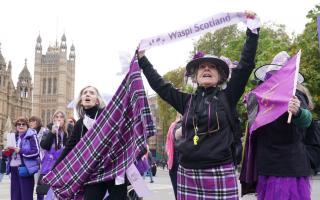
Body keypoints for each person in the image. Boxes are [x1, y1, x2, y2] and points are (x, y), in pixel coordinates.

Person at [137, 11, 259, 200]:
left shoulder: (228, 96)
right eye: (202, 67)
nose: (207, 69)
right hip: (188, 173)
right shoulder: (186, 101)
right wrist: (143, 59)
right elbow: (160, 85)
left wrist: (252, 32)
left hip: (220, 170)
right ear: (195, 77)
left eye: (212, 67)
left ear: (220, 76)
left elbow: (245, 65)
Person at [242, 51, 313, 199]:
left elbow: (307, 121)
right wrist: (250, 103)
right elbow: (255, 122)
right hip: (267, 164)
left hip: (287, 166)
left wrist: (298, 112)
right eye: (274, 73)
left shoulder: (296, 95)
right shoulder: (264, 96)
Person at [54, 86, 127, 200]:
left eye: (92, 93)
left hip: (114, 166)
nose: (87, 94)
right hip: (94, 171)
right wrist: (54, 169)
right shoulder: (80, 124)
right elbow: (69, 148)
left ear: (97, 100)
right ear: (81, 100)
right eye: (84, 93)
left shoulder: (108, 115)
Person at [5, 117, 40, 200]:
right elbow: (9, 154)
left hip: (25, 169)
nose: (21, 126)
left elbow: (36, 152)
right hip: (14, 169)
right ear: (16, 126)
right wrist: (7, 151)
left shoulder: (31, 136)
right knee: (15, 196)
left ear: (27, 126)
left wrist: (21, 151)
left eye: (23, 124)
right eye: (18, 124)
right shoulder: (14, 137)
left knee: (26, 196)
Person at [37, 110, 69, 199]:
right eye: (56, 117)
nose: (59, 119)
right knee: (46, 191)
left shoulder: (68, 132)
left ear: (64, 120)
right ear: (53, 119)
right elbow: (44, 145)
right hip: (49, 165)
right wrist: (52, 133)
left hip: (62, 166)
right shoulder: (47, 131)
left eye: (61, 117)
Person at [29, 116, 48, 200]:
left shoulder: (45, 131)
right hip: (31, 161)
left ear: (38, 122)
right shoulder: (29, 133)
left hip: (42, 161)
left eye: (33, 121)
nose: (31, 123)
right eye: (30, 121)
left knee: (40, 184)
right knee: (30, 184)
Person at [166, 113, 182, 199]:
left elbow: (167, 146)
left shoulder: (172, 126)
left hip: (173, 164)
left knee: (178, 194)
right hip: (178, 164)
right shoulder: (175, 126)